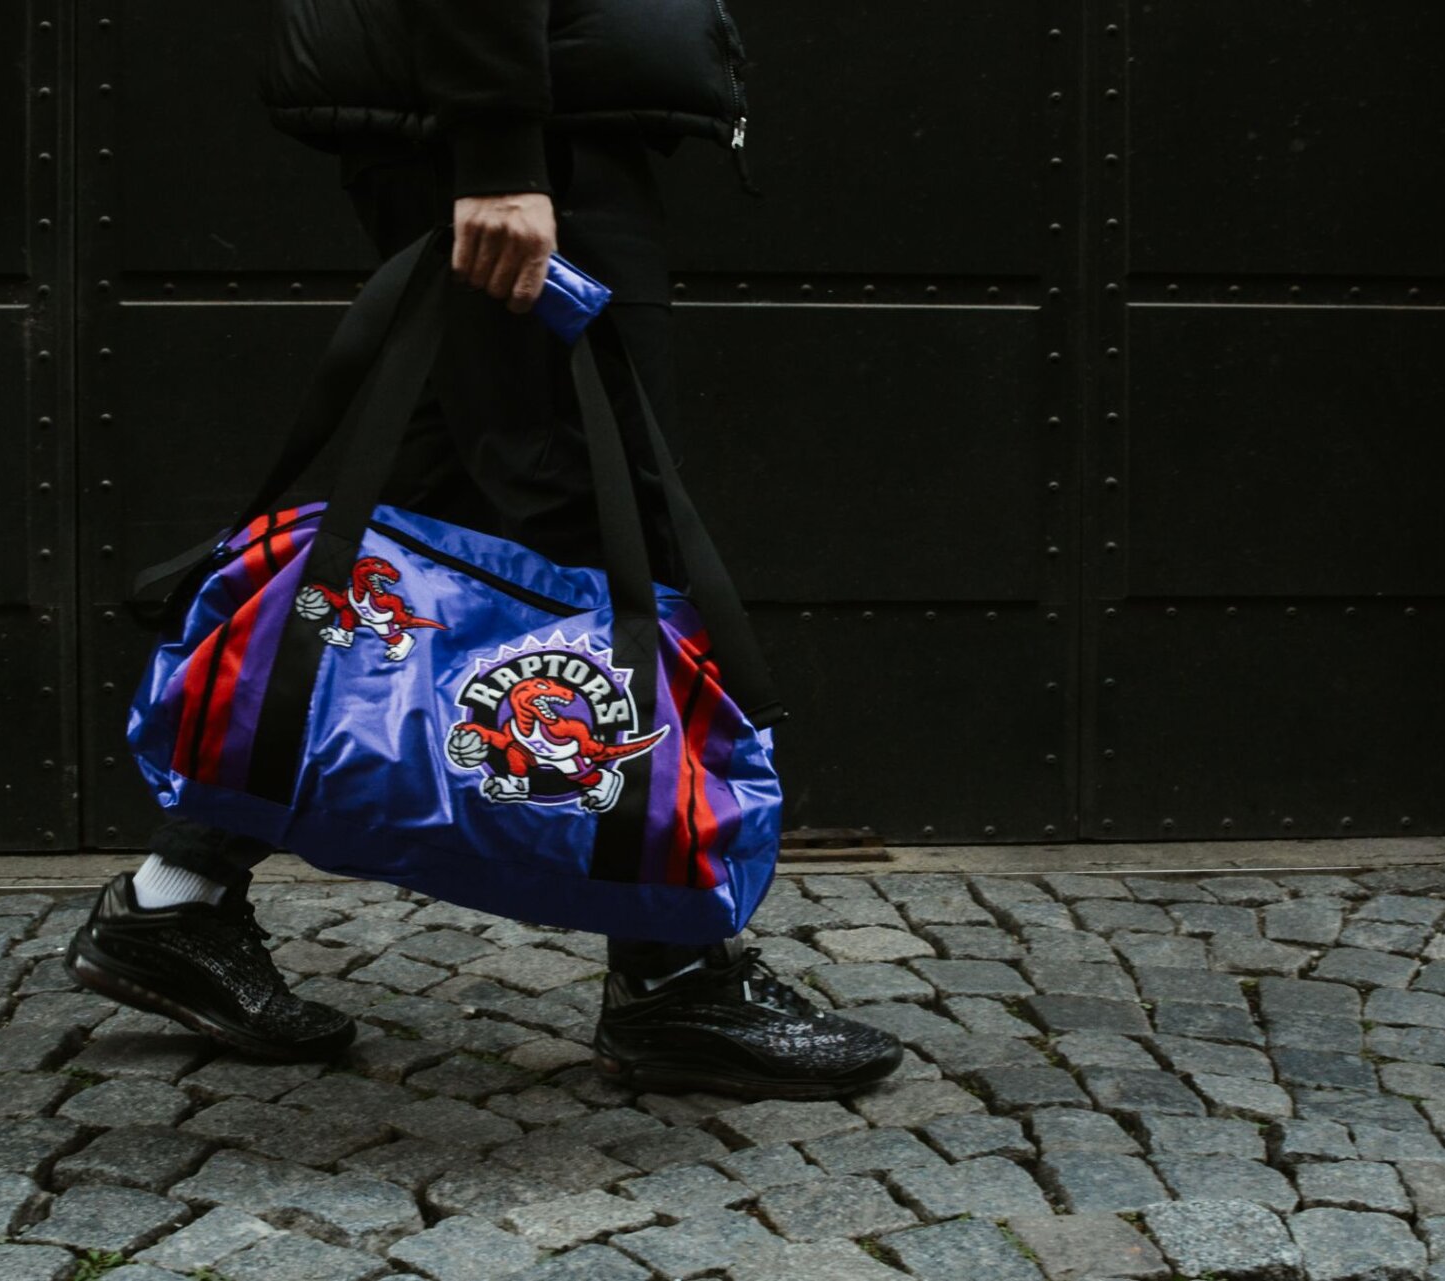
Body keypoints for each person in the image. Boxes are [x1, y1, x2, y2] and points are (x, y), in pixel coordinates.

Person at [66, 0, 903, 1099]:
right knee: (607, 527)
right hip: (519, 125)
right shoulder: (507, 148)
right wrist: (502, 154)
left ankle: (177, 901)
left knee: (451, 520)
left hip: (519, 109)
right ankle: (676, 978)